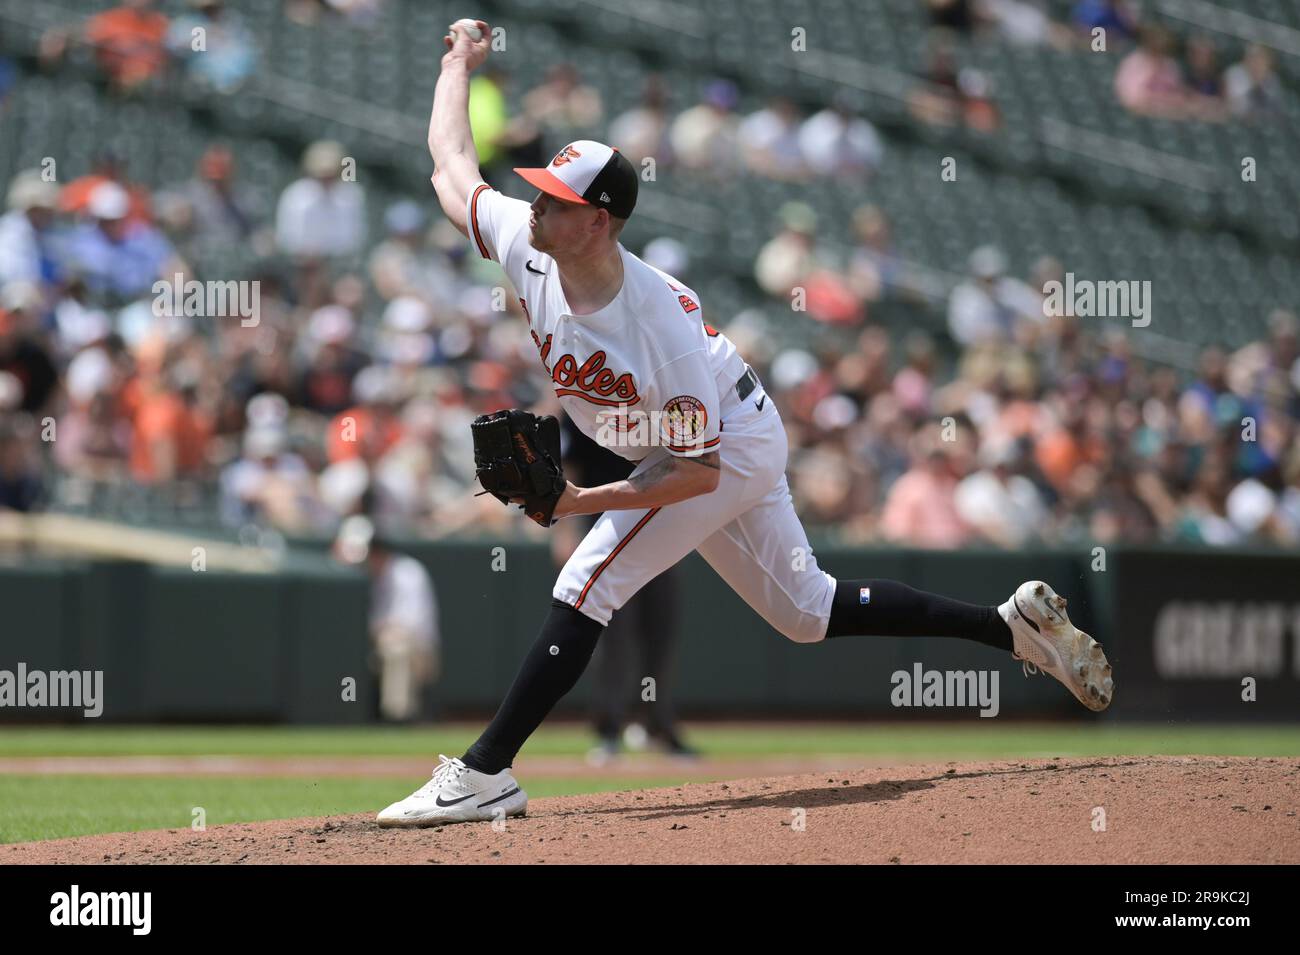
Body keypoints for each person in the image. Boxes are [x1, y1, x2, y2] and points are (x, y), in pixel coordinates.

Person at [376, 20, 1115, 828]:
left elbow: (699, 472)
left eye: (557, 200)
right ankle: (1006, 627)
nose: (537, 207)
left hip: (726, 442)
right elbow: (450, 165)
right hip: (696, 439)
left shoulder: (656, 324)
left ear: (599, 221)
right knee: (806, 611)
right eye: (541, 195)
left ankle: (486, 771)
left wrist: (578, 504)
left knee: (586, 580)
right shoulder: (528, 243)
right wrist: (456, 64)